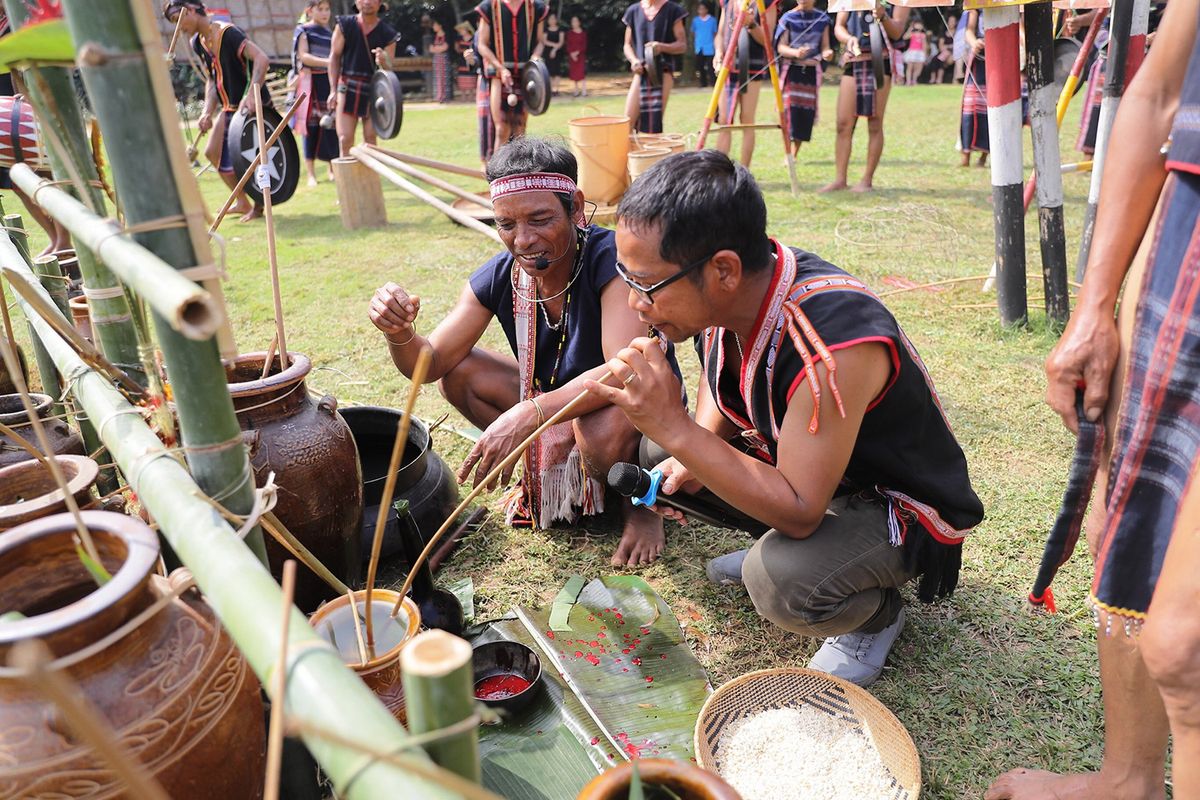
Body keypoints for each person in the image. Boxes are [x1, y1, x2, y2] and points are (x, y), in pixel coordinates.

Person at [586, 150, 983, 686]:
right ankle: (813, 553)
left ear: (722, 269)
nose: (636, 304)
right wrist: (693, 440)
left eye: (648, 286)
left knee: (779, 582)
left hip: (896, 505)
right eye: (627, 280)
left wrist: (676, 427)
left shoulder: (831, 346)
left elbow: (799, 510)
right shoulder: (733, 290)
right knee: (664, 459)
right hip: (820, 470)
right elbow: (721, 376)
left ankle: (875, 615)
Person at [987, 4, 1200, 799]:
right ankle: (1129, 777)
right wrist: (1095, 306)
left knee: (1182, 644)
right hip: (1180, 249)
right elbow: (1156, 97)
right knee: (1131, 511)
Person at [368, 138, 680, 566]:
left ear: (575, 207)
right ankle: (555, 473)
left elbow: (623, 372)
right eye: (507, 225)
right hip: (560, 402)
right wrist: (399, 332)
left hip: (632, 412)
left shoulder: (611, 260)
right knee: (458, 375)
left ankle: (639, 506)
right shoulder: (500, 276)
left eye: (540, 219)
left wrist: (529, 414)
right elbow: (429, 364)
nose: (524, 239)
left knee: (599, 428)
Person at [164, 0, 270, 222]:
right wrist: (206, 112)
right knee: (212, 152)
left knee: (252, 157)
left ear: (191, 11)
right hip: (229, 107)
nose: (178, 28)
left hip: (252, 106)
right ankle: (242, 201)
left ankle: (260, 208)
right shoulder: (198, 43)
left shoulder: (228, 33)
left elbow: (261, 59)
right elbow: (212, 80)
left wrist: (251, 95)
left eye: (178, 20)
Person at [820, 1, 910, 192]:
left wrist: (883, 15)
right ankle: (840, 179)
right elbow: (839, 26)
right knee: (843, 123)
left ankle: (866, 180)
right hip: (855, 59)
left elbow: (897, 31)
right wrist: (849, 39)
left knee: (875, 122)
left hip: (881, 59)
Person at [327, 0, 398, 157]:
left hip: (375, 89)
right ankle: (346, 181)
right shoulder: (345, 24)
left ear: (379, 3)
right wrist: (332, 90)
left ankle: (369, 181)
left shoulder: (388, 33)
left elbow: (389, 68)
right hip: (347, 85)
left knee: (371, 140)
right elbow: (334, 57)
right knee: (345, 139)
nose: (367, 2)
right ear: (357, 2)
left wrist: (383, 59)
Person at [713, 0, 779, 168]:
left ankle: (744, 172)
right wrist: (719, 53)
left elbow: (767, 39)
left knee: (747, 120)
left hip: (752, 67)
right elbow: (720, 33)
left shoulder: (767, 3)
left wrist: (751, 24)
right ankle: (720, 172)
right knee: (724, 120)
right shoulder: (727, 2)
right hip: (728, 66)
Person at [476, 0, 546, 151]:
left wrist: (535, 58)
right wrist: (500, 68)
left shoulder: (536, 7)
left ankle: (519, 173)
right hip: (498, 74)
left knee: (520, 128)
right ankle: (499, 173)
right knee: (502, 129)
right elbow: (482, 44)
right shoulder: (489, 7)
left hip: (525, 75)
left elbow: (540, 42)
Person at [774, 0, 832, 158]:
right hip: (792, 71)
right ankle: (787, 153)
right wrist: (795, 53)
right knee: (789, 112)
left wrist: (827, 53)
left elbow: (825, 46)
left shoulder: (823, 19)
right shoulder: (788, 18)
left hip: (811, 72)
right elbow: (781, 47)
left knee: (805, 113)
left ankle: (794, 154)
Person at [623, 0, 687, 134]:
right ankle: (631, 155)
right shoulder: (634, 10)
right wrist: (634, 61)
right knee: (627, 122)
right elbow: (627, 45)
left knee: (653, 124)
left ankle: (653, 155)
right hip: (641, 72)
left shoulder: (672, 10)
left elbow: (682, 45)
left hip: (663, 72)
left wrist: (661, 47)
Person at [292, 0, 338, 186]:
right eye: (321, 9)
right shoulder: (303, 31)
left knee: (331, 126)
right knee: (310, 128)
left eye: (327, 9)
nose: (325, 13)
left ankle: (332, 168)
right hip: (310, 84)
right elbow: (303, 56)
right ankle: (311, 174)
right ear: (310, 11)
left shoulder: (332, 33)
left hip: (329, 83)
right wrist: (328, 62)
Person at [959, 11, 987, 167]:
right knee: (970, 108)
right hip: (979, 58)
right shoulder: (976, 4)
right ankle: (965, 155)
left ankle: (984, 157)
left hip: (1001, 57)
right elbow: (969, 30)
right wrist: (974, 42)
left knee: (994, 109)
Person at [691, 2, 717, 88]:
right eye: (700, 9)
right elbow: (693, 32)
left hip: (710, 46)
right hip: (699, 46)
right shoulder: (695, 20)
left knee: (711, 66)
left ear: (707, 10)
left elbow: (715, 33)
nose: (701, 11)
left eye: (703, 9)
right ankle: (703, 83)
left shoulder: (712, 20)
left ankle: (713, 83)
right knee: (700, 66)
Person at [541, 13, 565, 95]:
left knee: (557, 71)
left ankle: (556, 89)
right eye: (550, 19)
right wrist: (553, 45)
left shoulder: (560, 30)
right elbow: (544, 41)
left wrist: (554, 49)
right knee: (549, 72)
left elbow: (561, 42)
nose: (552, 20)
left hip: (558, 53)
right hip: (547, 53)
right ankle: (550, 89)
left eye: (553, 19)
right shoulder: (546, 30)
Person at [566, 14, 588, 97]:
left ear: (579, 22)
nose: (574, 23)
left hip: (580, 55)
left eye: (575, 21)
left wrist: (577, 52)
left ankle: (584, 90)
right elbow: (568, 44)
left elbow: (584, 45)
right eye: (572, 21)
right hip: (572, 56)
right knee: (574, 73)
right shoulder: (569, 33)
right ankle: (576, 90)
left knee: (582, 72)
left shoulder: (583, 33)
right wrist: (571, 54)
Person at [430, 16, 451, 103]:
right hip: (436, 59)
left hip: (444, 59)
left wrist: (437, 48)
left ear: (440, 26)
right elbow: (431, 49)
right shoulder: (433, 36)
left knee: (444, 77)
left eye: (435, 25)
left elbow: (445, 47)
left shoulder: (446, 36)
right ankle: (438, 96)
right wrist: (439, 48)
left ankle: (445, 97)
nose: (433, 27)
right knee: (437, 77)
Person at [454, 21, 477, 99]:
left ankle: (472, 95)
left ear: (466, 29)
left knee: (471, 75)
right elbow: (457, 49)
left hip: (470, 59)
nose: (460, 31)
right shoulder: (459, 39)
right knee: (462, 76)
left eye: (462, 30)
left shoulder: (473, 37)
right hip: (461, 60)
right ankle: (463, 96)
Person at [902, 20, 926, 86]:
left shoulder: (923, 35)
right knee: (910, 67)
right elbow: (905, 37)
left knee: (918, 67)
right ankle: (908, 81)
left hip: (920, 52)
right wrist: (910, 29)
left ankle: (914, 79)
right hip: (912, 51)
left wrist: (925, 54)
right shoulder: (912, 34)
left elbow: (924, 45)